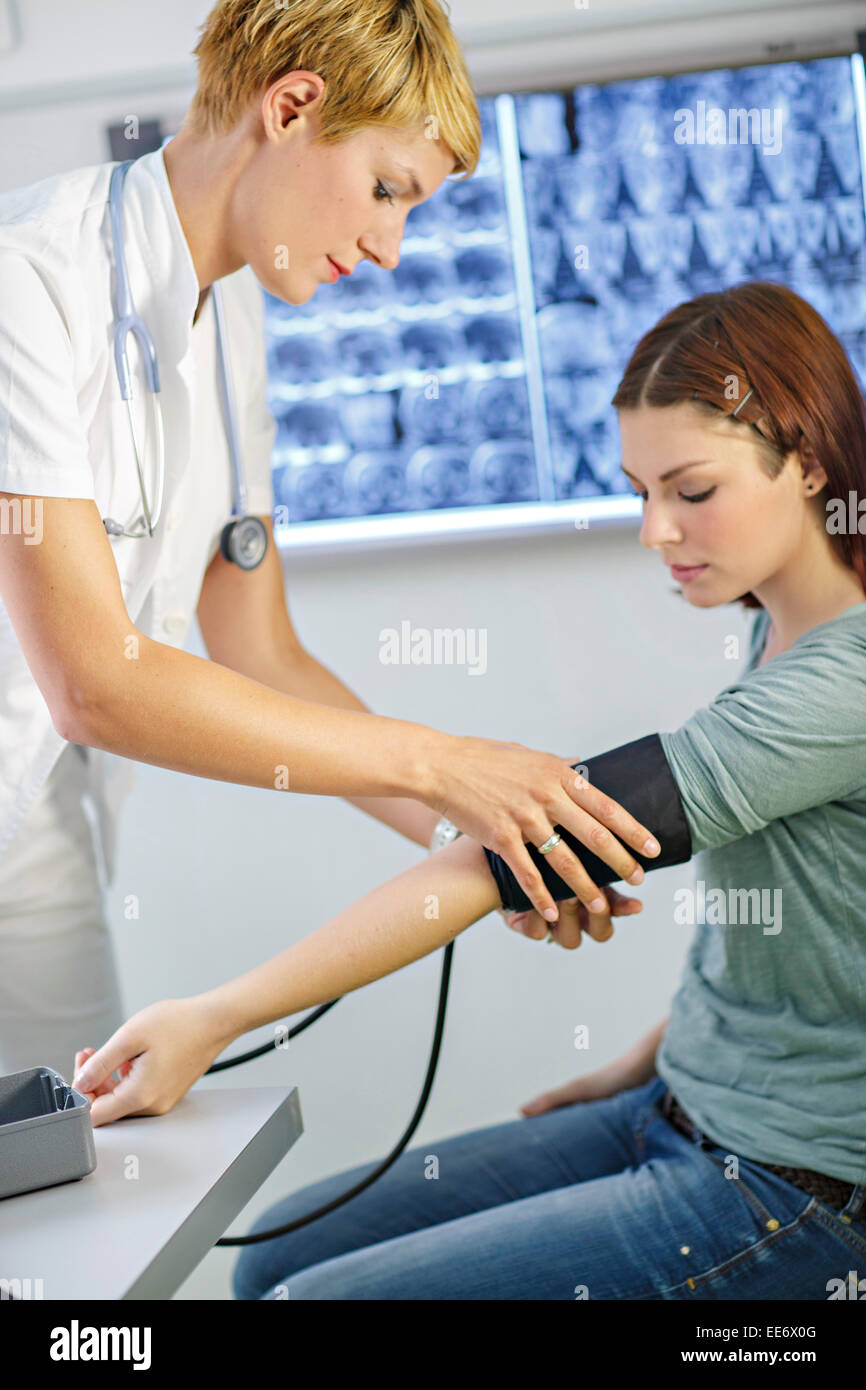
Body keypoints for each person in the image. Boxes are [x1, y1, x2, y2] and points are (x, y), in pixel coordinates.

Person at [72, 280, 866, 1300]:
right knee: (274, 1254)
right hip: (679, 1104)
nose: (653, 530)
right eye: (637, 492)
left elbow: (507, 851)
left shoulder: (840, 681)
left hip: (789, 1186)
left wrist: (214, 1019)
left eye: (690, 491)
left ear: (804, 462)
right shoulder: (773, 626)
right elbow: (803, 926)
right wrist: (639, 1068)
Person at [0, 0, 659, 1079]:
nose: (392, 249)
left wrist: (493, 847)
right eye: (388, 189)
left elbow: (259, 647)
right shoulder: (24, 281)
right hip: (36, 765)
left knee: (59, 1168)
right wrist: (449, 767)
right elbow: (91, 682)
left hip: (44, 827)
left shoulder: (236, 317)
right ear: (292, 106)